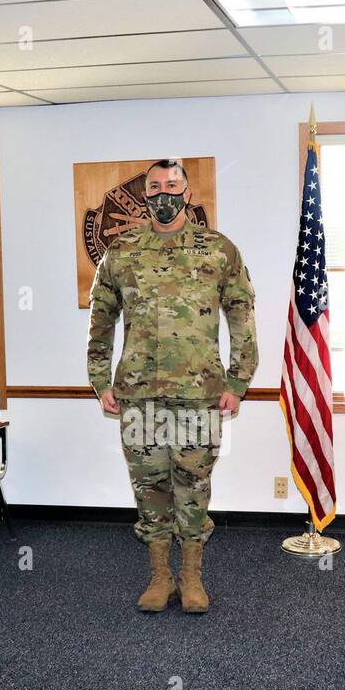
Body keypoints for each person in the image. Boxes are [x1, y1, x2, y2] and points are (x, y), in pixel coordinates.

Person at [87, 159, 258, 613]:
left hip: (199, 393)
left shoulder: (217, 249)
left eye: (173, 185)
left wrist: (239, 381)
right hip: (138, 394)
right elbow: (101, 320)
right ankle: (160, 577)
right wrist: (99, 380)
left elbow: (241, 315)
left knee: (194, 485)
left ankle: (193, 578)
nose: (164, 193)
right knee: (149, 489)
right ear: (145, 195)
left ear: (187, 192)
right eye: (155, 186)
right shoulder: (120, 252)